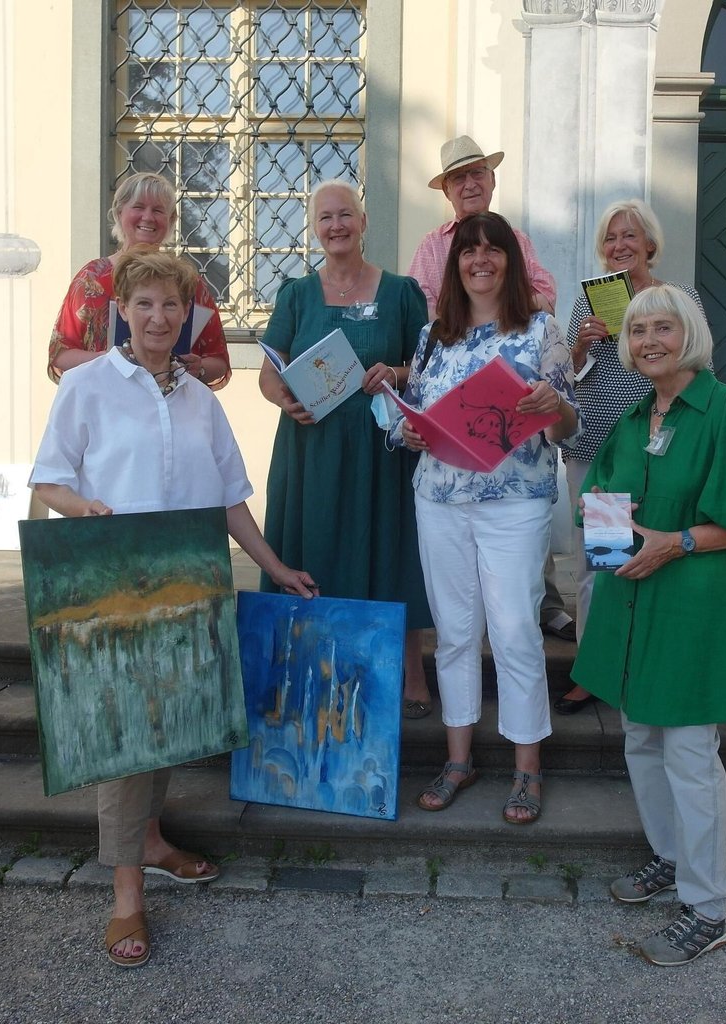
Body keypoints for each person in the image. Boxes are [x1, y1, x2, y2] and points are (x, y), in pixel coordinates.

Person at [30, 248, 317, 969]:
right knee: (122, 738)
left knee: (171, 721)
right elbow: (49, 480)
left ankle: (152, 841)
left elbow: (228, 499)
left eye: (172, 306)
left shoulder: (201, 399)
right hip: (114, 580)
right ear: (121, 311)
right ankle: (126, 896)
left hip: (190, 581)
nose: (159, 317)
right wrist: (84, 507)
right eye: (145, 304)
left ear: (188, 315)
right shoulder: (88, 386)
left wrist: (274, 566)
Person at [570, 285, 726, 966]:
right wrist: (617, 550)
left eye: (662, 328)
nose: (648, 342)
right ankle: (668, 856)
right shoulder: (635, 417)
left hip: (692, 606)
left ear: (689, 333)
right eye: (637, 331)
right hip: (632, 604)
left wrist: (674, 543)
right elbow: (599, 498)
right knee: (640, 737)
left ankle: (707, 907)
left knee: (691, 757)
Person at [394, 212, 580, 824]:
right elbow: (412, 415)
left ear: (510, 261)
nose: (479, 260)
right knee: (453, 631)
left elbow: (565, 428)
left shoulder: (542, 331)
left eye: (491, 250)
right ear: (454, 265)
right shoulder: (433, 336)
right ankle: (458, 759)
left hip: (515, 500)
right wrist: (408, 431)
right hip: (440, 499)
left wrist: (555, 405)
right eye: (468, 251)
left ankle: (527, 767)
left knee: (514, 630)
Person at [258, 180, 434, 718]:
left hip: (382, 449)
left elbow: (428, 368)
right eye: (326, 218)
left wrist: (398, 372)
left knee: (390, 550)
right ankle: (307, 667)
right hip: (311, 449)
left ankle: (411, 674)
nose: (336, 226)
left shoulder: (402, 292)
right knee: (312, 549)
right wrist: (285, 400)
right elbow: (269, 374)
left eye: (346, 215)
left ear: (363, 222)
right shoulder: (295, 295)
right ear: (315, 228)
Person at [408, 135, 573, 642]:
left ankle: (543, 602)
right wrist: (463, 320)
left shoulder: (515, 239)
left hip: (514, 431)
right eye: (460, 177)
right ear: (448, 191)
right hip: (452, 429)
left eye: (478, 172)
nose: (471, 183)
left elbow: (542, 295)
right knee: (459, 615)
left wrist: (497, 318)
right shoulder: (431, 246)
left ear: (493, 179)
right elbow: (424, 307)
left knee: (515, 598)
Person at [556, 199, 708, 714]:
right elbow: (567, 377)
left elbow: (698, 359)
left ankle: (644, 661)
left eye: (629, 236)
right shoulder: (591, 301)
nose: (619, 246)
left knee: (655, 557)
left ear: (650, 244)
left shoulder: (677, 297)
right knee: (602, 564)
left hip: (667, 449)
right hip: (603, 452)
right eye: (610, 239)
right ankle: (593, 670)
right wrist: (580, 346)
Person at [47, 171, 231, 389]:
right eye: (138, 207)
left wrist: (198, 368)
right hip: (103, 403)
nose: (148, 217)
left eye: (158, 210)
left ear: (170, 220)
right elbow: (61, 357)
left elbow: (219, 362)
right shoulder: (92, 280)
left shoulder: (187, 281)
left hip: (169, 404)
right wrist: (111, 361)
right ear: (118, 212)